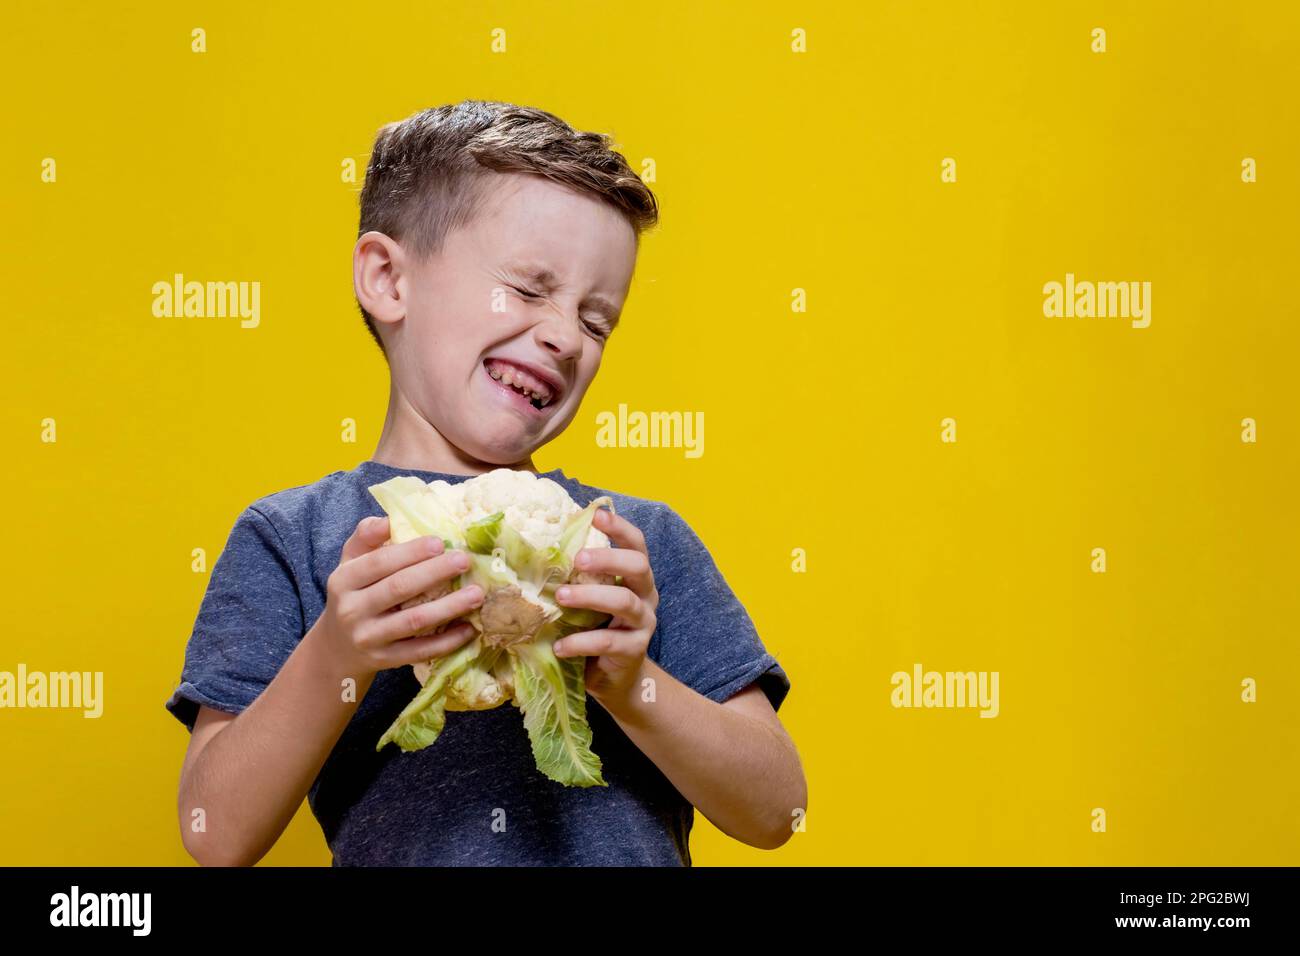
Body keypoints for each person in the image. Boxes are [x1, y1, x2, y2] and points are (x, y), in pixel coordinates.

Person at [165, 100, 805, 866]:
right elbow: (215, 836)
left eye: (597, 321)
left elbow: (778, 810)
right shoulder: (296, 537)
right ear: (387, 279)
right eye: (529, 291)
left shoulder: (632, 548)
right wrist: (337, 653)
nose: (565, 336)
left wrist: (633, 684)